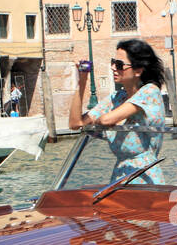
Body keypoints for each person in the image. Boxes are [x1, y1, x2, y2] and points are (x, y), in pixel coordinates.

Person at [69, 38, 167, 184]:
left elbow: (106, 120)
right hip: (120, 176)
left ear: (138, 70)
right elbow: (75, 123)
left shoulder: (150, 92)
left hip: (145, 177)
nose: (113, 67)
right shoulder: (117, 97)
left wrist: (100, 121)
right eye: (113, 62)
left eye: (120, 65)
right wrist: (82, 81)